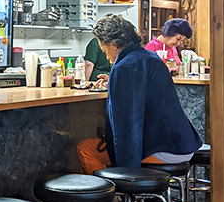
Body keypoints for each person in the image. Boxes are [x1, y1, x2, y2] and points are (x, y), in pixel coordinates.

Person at [77, 15, 201, 174]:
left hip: (164, 150)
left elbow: (128, 123)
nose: (108, 58)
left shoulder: (125, 66)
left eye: (105, 51)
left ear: (113, 45)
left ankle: (116, 197)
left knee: (86, 149)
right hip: (183, 143)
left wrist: (127, 170)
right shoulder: (149, 57)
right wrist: (114, 82)